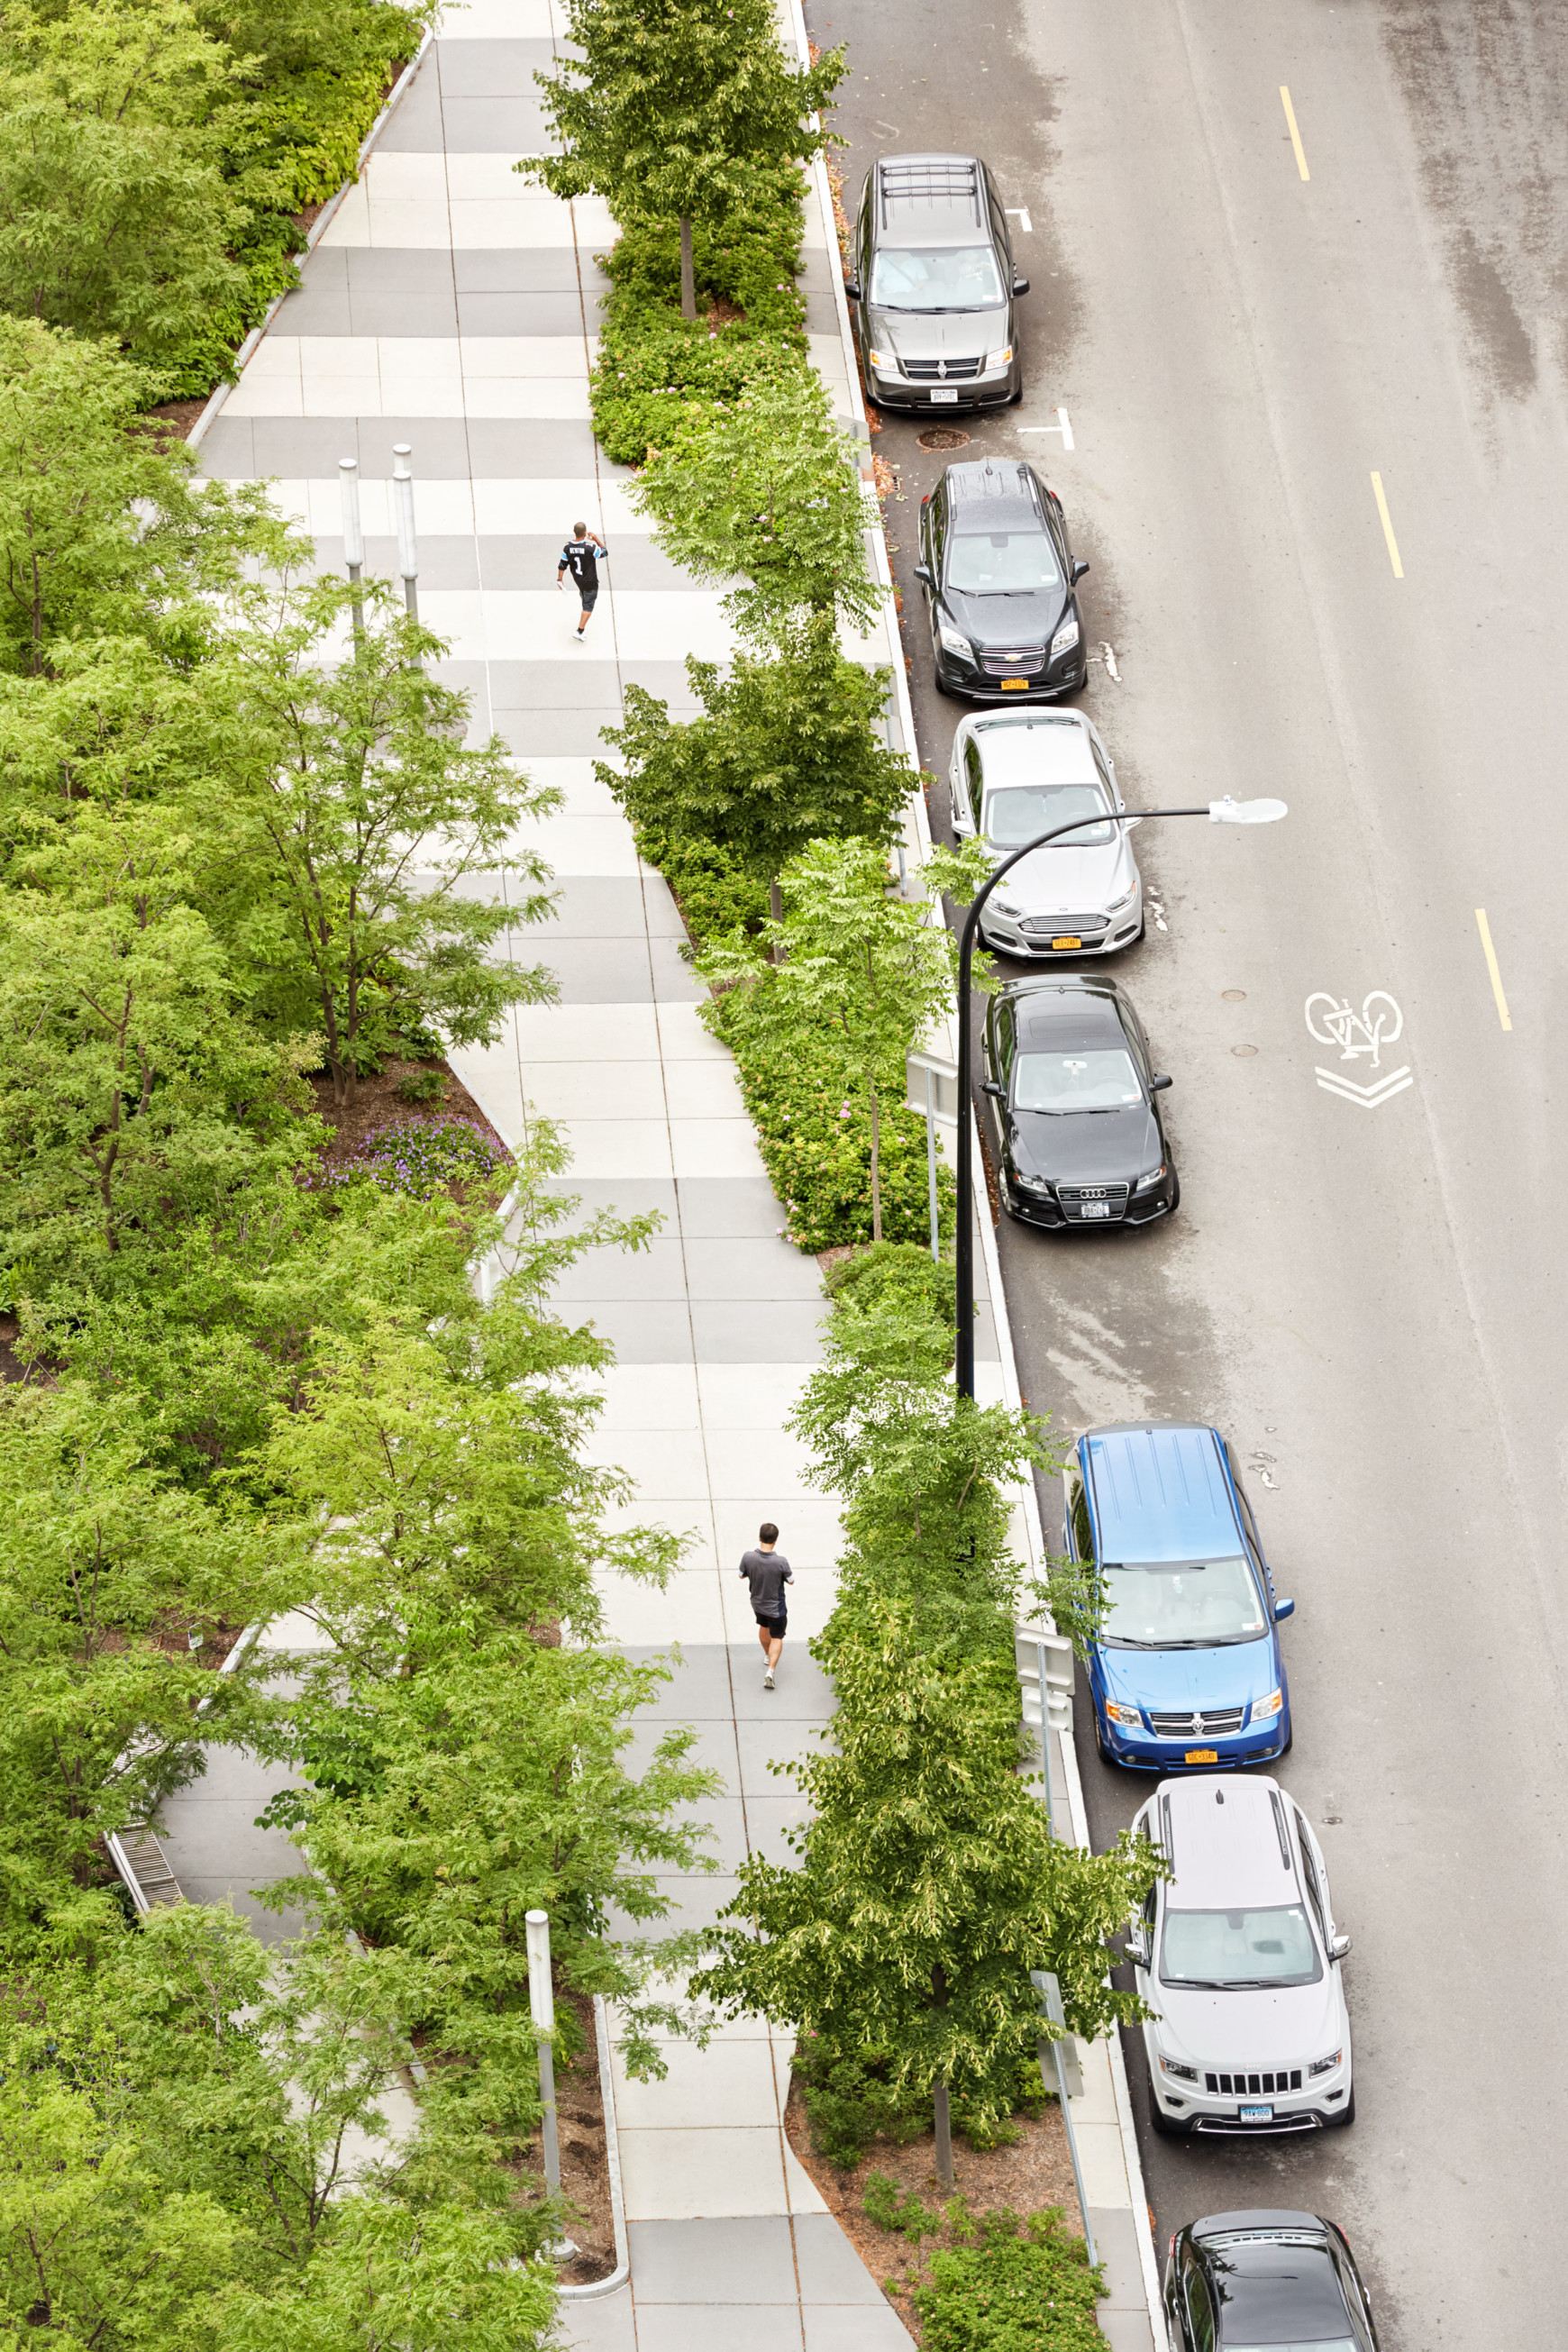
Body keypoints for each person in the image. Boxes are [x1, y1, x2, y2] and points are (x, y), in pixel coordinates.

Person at [738, 1522, 793, 1689]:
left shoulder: (748, 1557)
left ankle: (767, 1655)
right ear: (775, 1540)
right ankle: (771, 1670)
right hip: (776, 1607)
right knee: (777, 1636)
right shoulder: (781, 1561)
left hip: (757, 1603)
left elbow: (741, 1575)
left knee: (763, 1626)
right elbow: (791, 1581)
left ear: (759, 1537)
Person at [557, 523, 608, 638]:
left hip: (578, 580)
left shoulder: (567, 547)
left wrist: (560, 579)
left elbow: (562, 564)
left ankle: (584, 606)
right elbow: (605, 552)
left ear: (574, 531)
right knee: (588, 606)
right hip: (590, 582)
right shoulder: (590, 548)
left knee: (583, 594)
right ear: (585, 533)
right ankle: (580, 631)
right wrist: (596, 539)